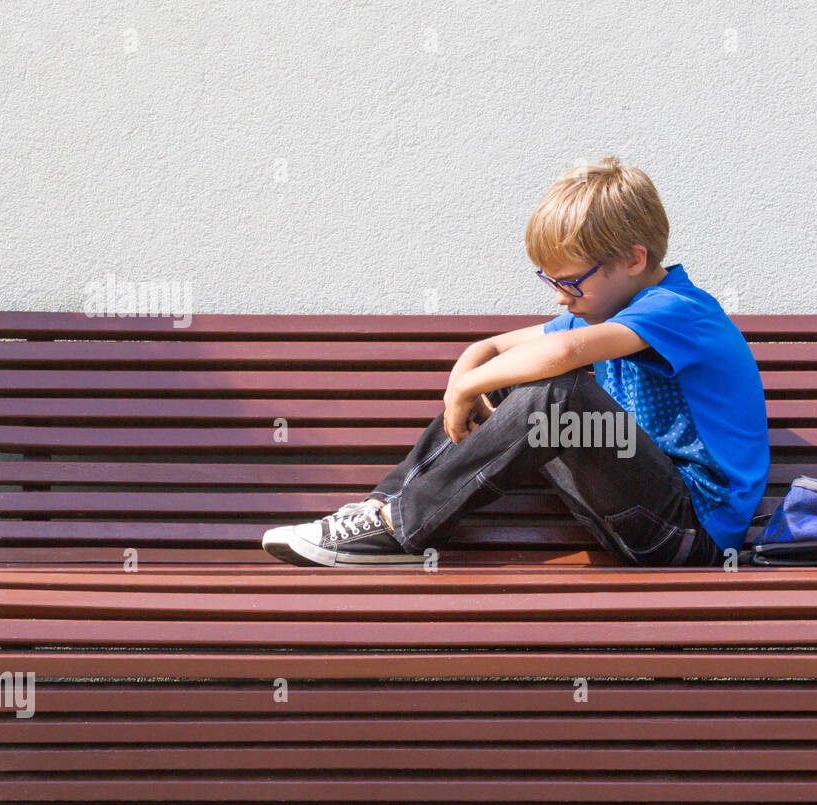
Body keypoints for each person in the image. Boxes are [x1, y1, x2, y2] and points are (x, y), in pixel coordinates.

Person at [261, 155, 770, 568]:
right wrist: (470, 366)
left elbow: (563, 355)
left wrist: (465, 389)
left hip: (691, 534)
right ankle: (383, 510)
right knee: (515, 381)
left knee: (556, 392)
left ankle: (402, 525)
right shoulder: (609, 309)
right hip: (636, 517)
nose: (559, 299)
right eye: (549, 283)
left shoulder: (679, 310)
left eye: (569, 283)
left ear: (634, 260)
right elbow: (497, 348)